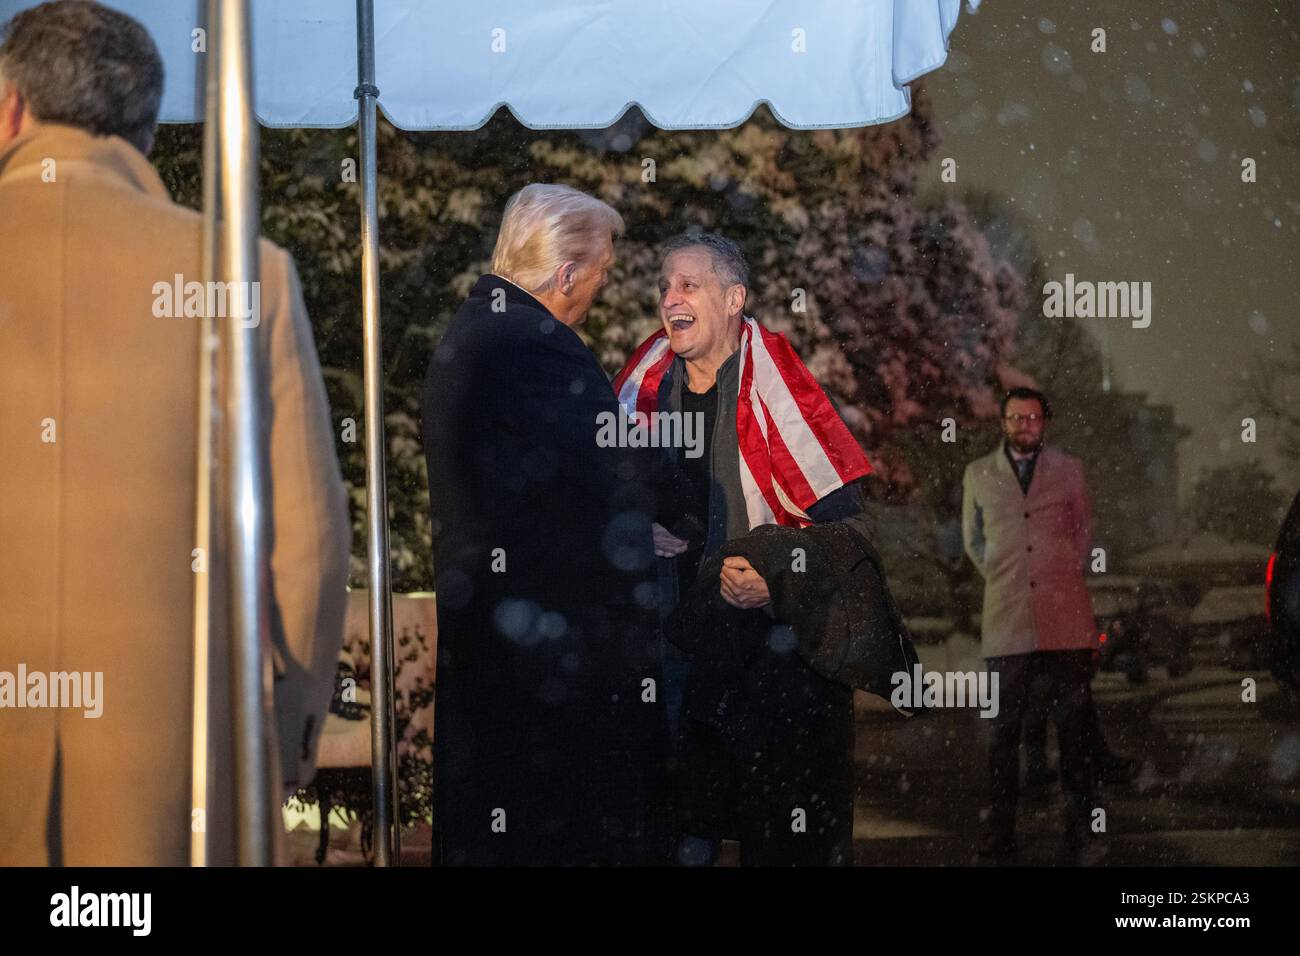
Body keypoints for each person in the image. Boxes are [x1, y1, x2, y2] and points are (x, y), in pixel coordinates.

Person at [0, 1, 351, 865]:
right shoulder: (244, 274)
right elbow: (307, 545)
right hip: (178, 768)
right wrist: (281, 736)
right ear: (147, 131)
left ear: (9, 108)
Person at [613, 233, 894, 866]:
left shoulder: (784, 389)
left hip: (772, 666)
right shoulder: (642, 389)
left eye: (689, 284)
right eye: (664, 285)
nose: (670, 297)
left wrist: (778, 578)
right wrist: (635, 531)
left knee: (781, 838)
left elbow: (851, 535)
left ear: (734, 298)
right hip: (674, 659)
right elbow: (598, 499)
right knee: (677, 837)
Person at [421, 183, 668, 865]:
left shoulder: (478, 327)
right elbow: (618, 470)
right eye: (602, 271)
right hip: (547, 656)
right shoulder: (533, 342)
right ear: (566, 274)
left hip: (498, 639)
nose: (601, 287)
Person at [962, 387, 1103, 863]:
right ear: (1002, 422)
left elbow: (1084, 533)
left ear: (1045, 423)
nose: (1024, 425)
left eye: (1033, 418)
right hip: (1007, 622)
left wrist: (1055, 570)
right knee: (1003, 738)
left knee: (1073, 735)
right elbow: (973, 541)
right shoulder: (978, 474)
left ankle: (1079, 830)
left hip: (1066, 622)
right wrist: (1011, 578)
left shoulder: (1069, 470)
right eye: (1015, 417)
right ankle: (1000, 832)